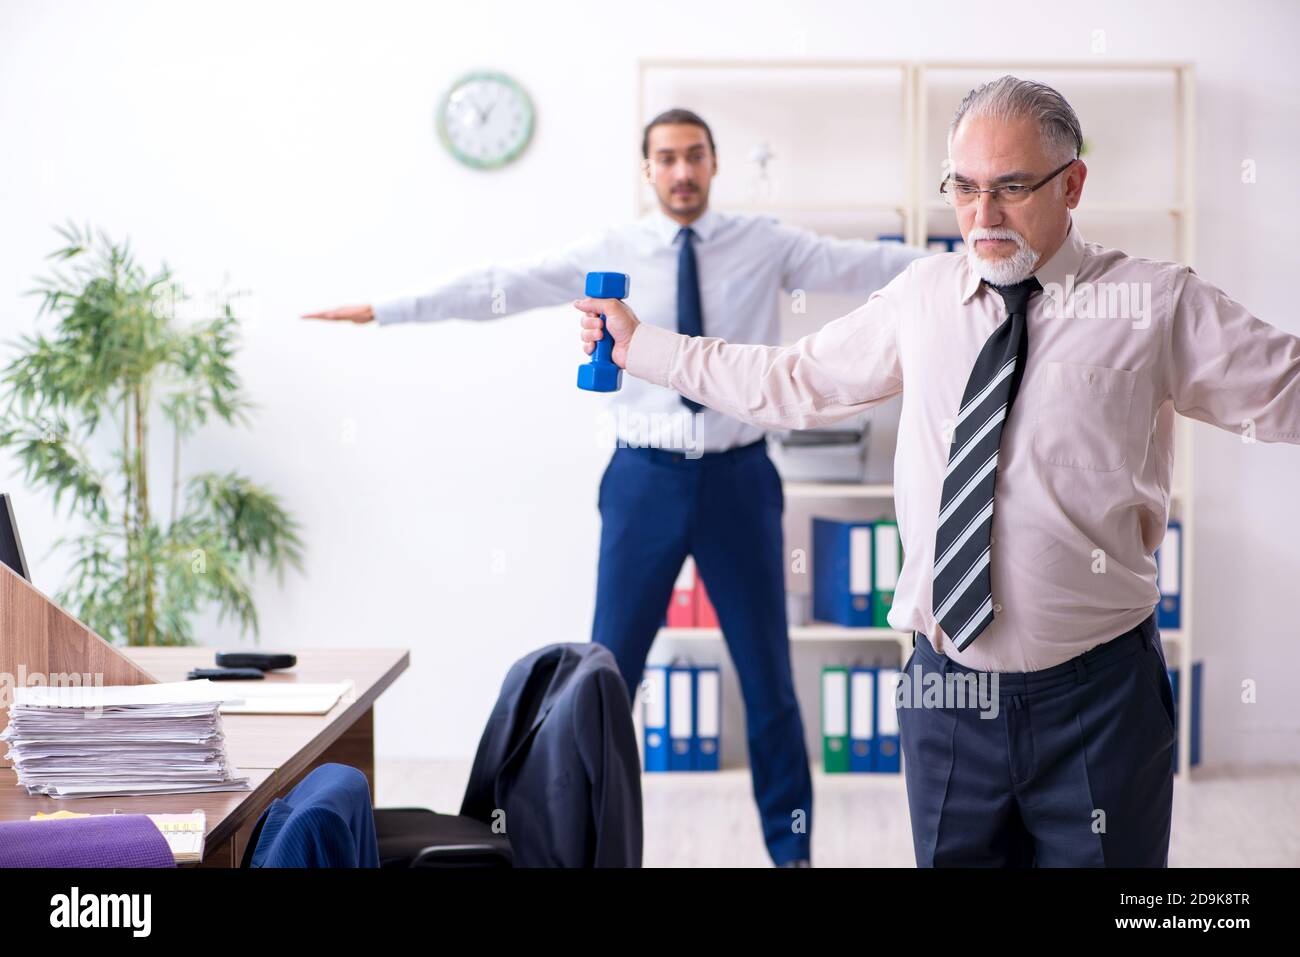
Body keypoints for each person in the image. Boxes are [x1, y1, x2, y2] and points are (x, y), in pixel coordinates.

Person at [576, 77, 1300, 867]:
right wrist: (640, 345)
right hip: (945, 694)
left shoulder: (1152, 303)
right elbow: (788, 382)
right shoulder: (921, 296)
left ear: (1073, 183)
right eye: (964, 188)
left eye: (1012, 188)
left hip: (1099, 702)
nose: (982, 216)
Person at [304, 108, 927, 866]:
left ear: (714, 162)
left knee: (769, 683)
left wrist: (975, 259)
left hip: (739, 479)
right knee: (603, 680)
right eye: (666, 158)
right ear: (648, 169)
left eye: (694, 156)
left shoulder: (763, 243)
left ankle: (791, 854)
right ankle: (577, 850)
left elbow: (865, 264)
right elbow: (503, 285)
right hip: (643, 480)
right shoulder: (614, 250)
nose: (682, 172)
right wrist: (384, 311)